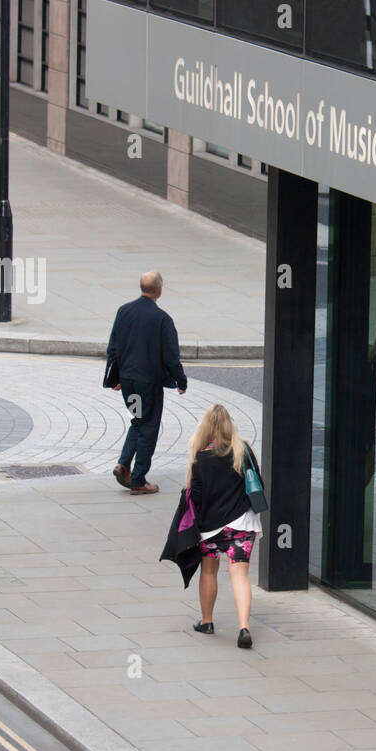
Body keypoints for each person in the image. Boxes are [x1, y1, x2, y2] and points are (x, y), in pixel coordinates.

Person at [183, 405, 262, 649]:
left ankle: (207, 621)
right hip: (241, 525)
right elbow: (256, 484)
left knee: (208, 571)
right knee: (240, 576)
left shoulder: (200, 458)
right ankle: (243, 626)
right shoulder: (243, 450)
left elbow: (195, 498)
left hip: (212, 528)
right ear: (229, 425)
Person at [106, 271, 187, 495]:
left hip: (128, 381)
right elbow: (171, 357)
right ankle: (139, 480)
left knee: (138, 420)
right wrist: (181, 381)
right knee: (149, 427)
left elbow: (113, 346)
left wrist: (115, 378)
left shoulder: (124, 311)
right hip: (148, 383)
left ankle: (124, 465)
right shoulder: (162, 319)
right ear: (159, 290)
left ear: (141, 287)